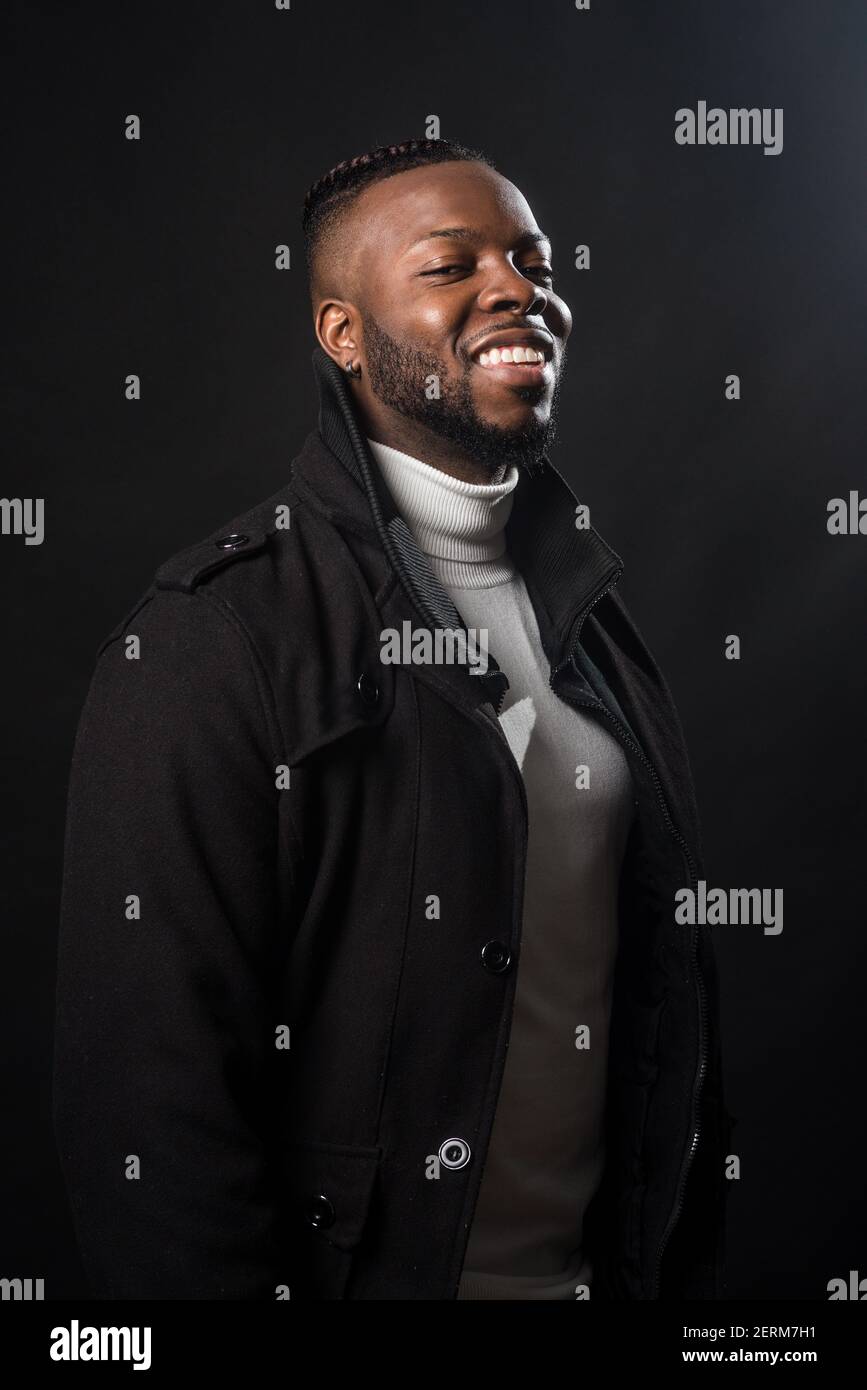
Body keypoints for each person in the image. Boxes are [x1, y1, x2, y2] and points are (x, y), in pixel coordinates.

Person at [53, 136, 733, 1300]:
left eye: (533, 258)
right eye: (450, 265)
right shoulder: (212, 637)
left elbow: (672, 1013)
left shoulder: (595, 620)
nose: (518, 287)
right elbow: (149, 1119)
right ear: (343, 335)